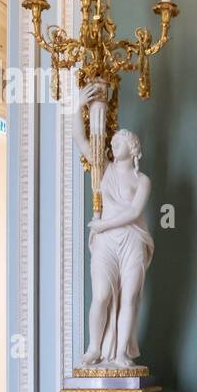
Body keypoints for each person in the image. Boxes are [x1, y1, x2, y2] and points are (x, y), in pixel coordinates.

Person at [76, 81, 154, 368]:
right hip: (106, 242)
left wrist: (103, 224)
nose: (112, 144)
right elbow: (82, 141)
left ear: (132, 147)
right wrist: (77, 107)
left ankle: (121, 352)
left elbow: (134, 212)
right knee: (101, 295)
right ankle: (94, 349)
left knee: (130, 296)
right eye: (112, 142)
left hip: (132, 239)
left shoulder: (142, 180)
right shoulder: (103, 169)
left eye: (118, 141)